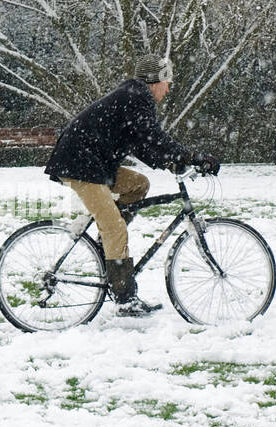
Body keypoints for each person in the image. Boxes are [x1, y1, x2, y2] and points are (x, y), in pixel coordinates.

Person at [44, 55, 219, 317]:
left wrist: (174, 162)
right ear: (155, 80)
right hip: (81, 163)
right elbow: (152, 137)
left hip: (93, 162)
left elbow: (141, 143)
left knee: (138, 185)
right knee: (115, 227)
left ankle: (107, 242)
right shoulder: (137, 96)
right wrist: (190, 157)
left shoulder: (133, 96)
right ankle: (125, 300)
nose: (168, 88)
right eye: (167, 82)